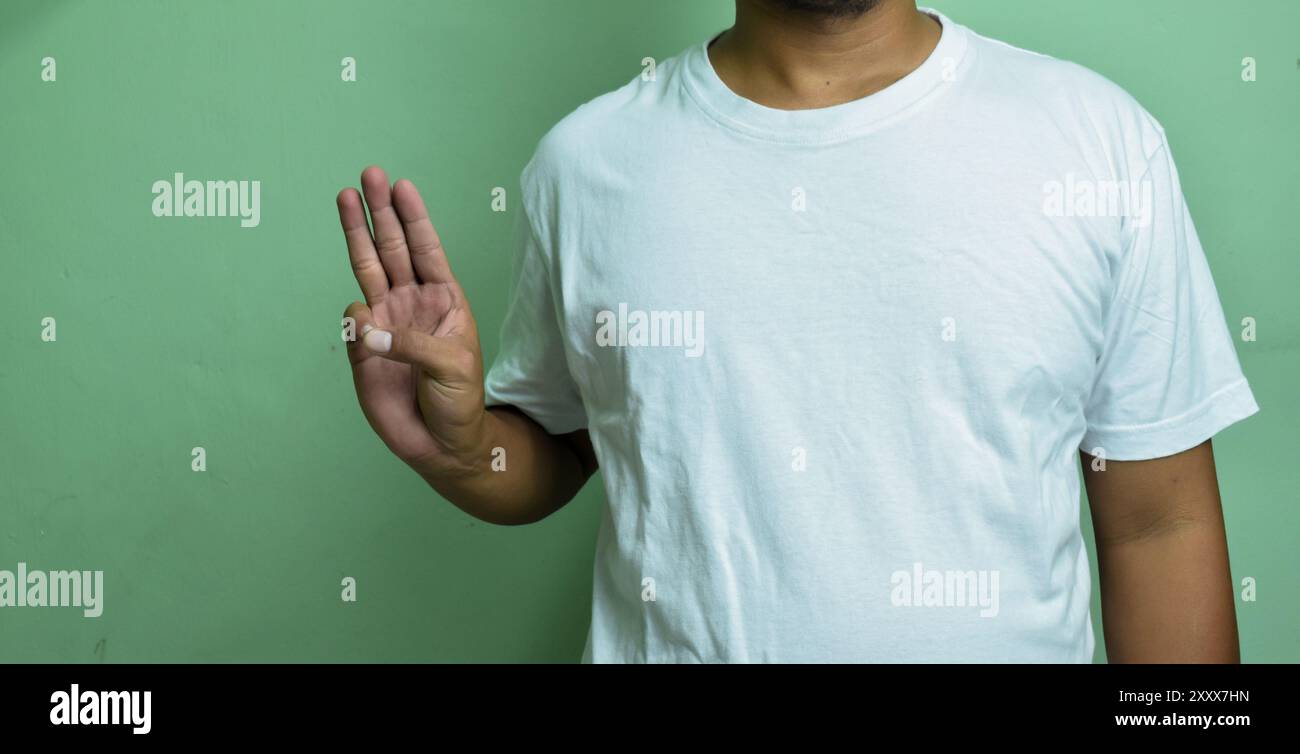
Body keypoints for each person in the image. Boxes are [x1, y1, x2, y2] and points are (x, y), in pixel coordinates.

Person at [334, 0, 1258, 662]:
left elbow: (1159, 523)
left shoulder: (1097, 145)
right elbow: (562, 451)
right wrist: (462, 453)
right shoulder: (586, 166)